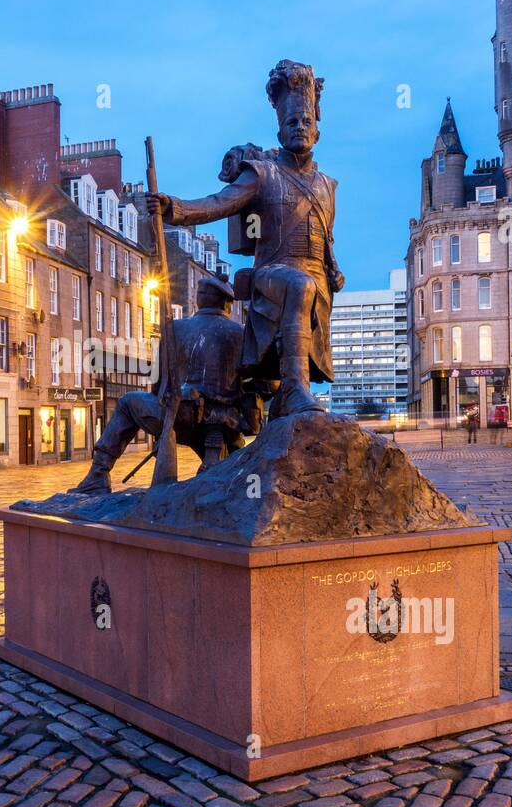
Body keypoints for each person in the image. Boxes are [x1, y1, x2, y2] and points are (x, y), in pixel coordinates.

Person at [146, 60, 344, 418]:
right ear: (280, 132)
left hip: (316, 276)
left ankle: (288, 395)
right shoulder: (263, 174)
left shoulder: (328, 186)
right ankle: (297, 388)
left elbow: (326, 236)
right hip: (274, 272)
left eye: (306, 122)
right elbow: (218, 204)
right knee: (299, 286)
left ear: (316, 131)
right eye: (291, 123)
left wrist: (334, 268)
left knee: (308, 286)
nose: (299, 127)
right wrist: (172, 207)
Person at [72, 278, 257, 494]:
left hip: (181, 415)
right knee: (224, 456)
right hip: (222, 423)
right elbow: (260, 386)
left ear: (199, 300)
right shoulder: (242, 333)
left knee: (126, 403)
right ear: (228, 304)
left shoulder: (175, 329)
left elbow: (158, 386)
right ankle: (217, 462)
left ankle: (98, 474)